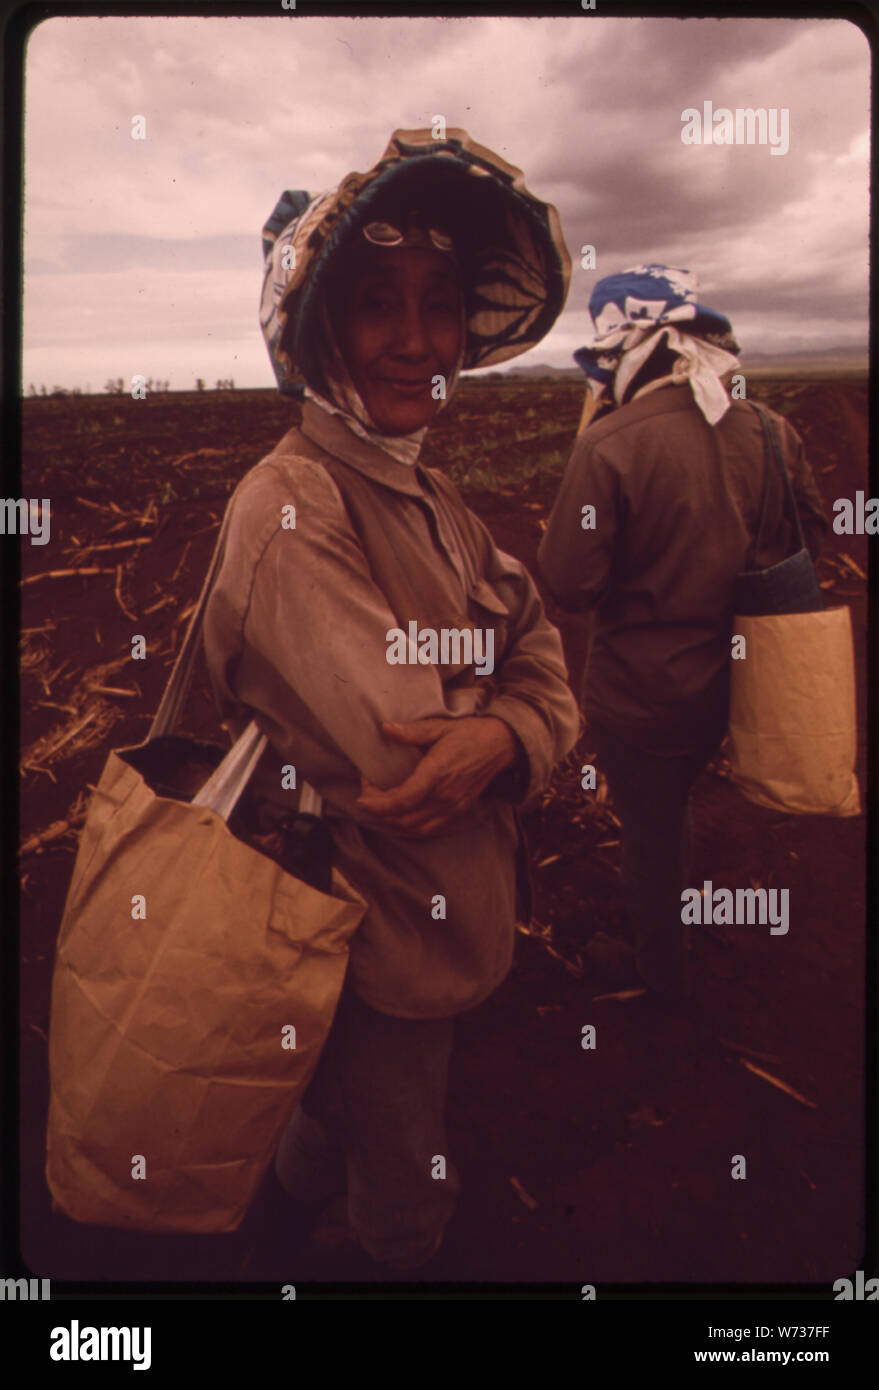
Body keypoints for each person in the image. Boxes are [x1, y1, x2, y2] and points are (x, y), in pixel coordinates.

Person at [202, 128, 579, 1271]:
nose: (420, 341)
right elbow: (408, 751)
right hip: (366, 936)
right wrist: (511, 702)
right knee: (408, 1194)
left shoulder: (428, 491)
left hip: (435, 914)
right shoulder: (291, 508)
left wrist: (507, 723)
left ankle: (257, 1237)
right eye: (377, 302)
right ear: (318, 336)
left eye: (441, 302)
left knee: (332, 1120)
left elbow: (546, 651)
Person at [537, 264, 828, 1005]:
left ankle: (657, 972)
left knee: (651, 831)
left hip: (646, 693)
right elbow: (812, 536)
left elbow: (568, 585)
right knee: (675, 813)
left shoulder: (608, 445)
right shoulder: (769, 428)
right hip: (745, 682)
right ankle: (677, 923)